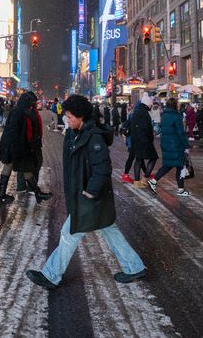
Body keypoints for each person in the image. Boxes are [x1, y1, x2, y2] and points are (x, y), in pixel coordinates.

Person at [26, 94, 146, 290]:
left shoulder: (93, 137)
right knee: (109, 229)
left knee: (69, 232)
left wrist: (90, 191)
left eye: (70, 116)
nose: (67, 119)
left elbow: (103, 168)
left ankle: (51, 274)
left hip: (90, 196)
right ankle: (134, 267)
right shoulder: (79, 133)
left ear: (81, 116)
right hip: (89, 194)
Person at [0, 91, 52, 204]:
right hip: (14, 145)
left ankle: (2, 194)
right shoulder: (18, 112)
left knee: (17, 167)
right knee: (18, 166)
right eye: (32, 102)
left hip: (12, 145)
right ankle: (36, 193)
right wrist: (20, 148)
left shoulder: (21, 110)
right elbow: (15, 132)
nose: (34, 104)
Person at [149, 98, 191, 196]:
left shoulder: (164, 115)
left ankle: (154, 181)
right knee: (180, 165)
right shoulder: (177, 116)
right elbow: (181, 133)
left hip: (166, 144)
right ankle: (181, 190)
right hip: (176, 144)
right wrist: (186, 146)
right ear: (175, 105)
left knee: (168, 165)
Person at [122, 93, 158, 186]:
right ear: (147, 104)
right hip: (144, 140)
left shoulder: (135, 112)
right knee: (153, 158)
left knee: (138, 159)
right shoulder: (145, 114)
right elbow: (147, 129)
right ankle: (145, 179)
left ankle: (137, 182)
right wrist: (150, 138)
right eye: (150, 104)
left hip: (135, 140)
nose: (151, 106)